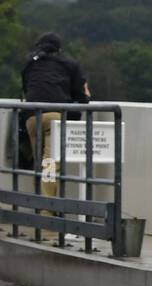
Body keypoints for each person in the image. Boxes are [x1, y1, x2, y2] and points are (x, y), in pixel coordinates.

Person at [20, 33, 89, 204]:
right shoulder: (70, 64)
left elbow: (26, 89)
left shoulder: (30, 63)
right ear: (59, 49)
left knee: (39, 164)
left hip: (31, 117)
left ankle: (37, 204)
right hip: (54, 118)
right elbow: (81, 97)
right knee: (49, 165)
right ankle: (47, 210)